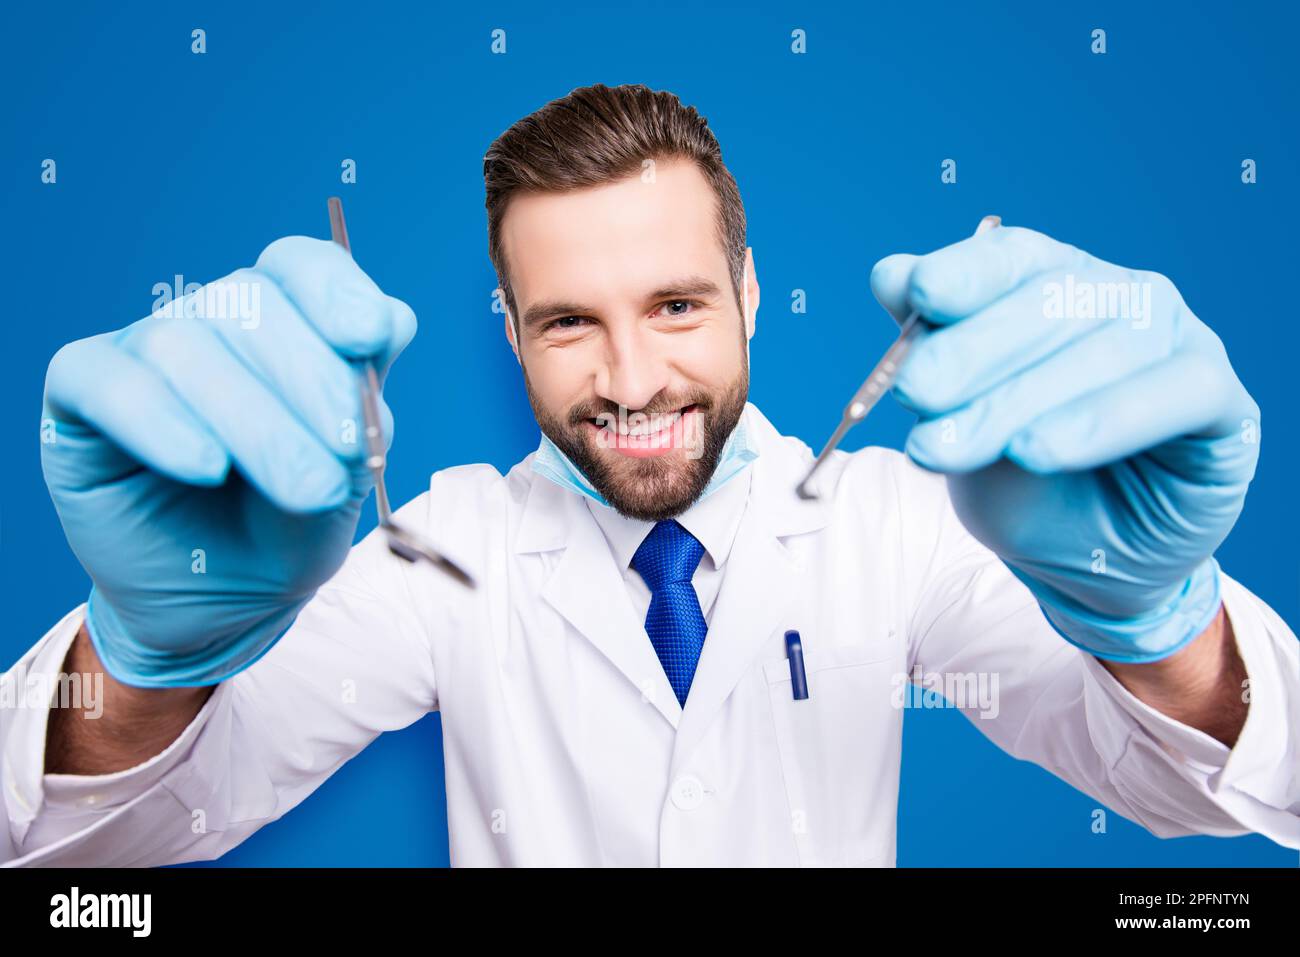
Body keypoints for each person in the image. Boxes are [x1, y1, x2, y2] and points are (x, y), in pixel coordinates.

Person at [2, 84, 1296, 867]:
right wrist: (137, 663)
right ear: (510, 336)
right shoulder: (445, 551)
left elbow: (1214, 799)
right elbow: (110, 842)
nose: (629, 379)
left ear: (747, 292)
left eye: (676, 303)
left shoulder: (896, 524)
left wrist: (1158, 622)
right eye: (568, 322)